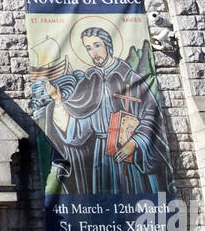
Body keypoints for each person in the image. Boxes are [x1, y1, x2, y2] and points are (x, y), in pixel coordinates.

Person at [35, 27, 174, 196]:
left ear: (108, 45)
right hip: (100, 158)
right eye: (88, 48)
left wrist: (134, 142)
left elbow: (151, 115)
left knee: (133, 201)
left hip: (130, 155)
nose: (94, 52)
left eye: (97, 45)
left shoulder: (131, 79)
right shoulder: (88, 82)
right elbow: (77, 130)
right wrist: (58, 100)